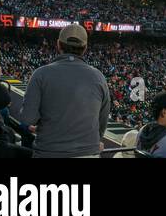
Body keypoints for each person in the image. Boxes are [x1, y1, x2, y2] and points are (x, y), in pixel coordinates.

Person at [19, 24, 110, 158]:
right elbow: (102, 121)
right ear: (84, 48)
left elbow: (28, 118)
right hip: (88, 152)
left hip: (48, 152)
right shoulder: (99, 77)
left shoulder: (40, 74)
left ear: (58, 45)